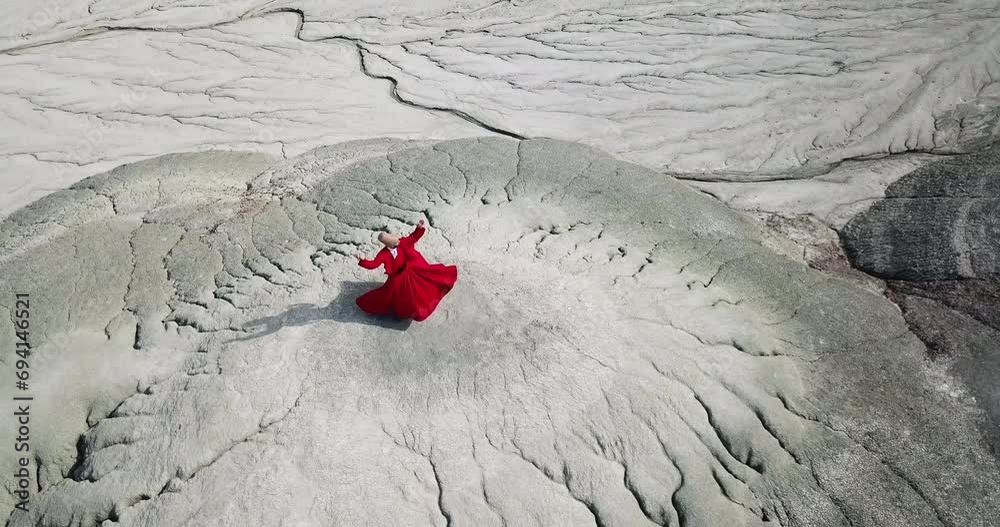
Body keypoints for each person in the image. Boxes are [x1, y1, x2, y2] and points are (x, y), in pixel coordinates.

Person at [354, 219, 458, 321]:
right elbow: (374, 264)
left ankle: (420, 306)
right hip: (396, 278)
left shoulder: (400, 243)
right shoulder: (384, 253)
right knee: (387, 296)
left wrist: (419, 228)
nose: (397, 242)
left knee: (423, 284)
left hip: (408, 271)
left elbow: (413, 237)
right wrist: (362, 261)